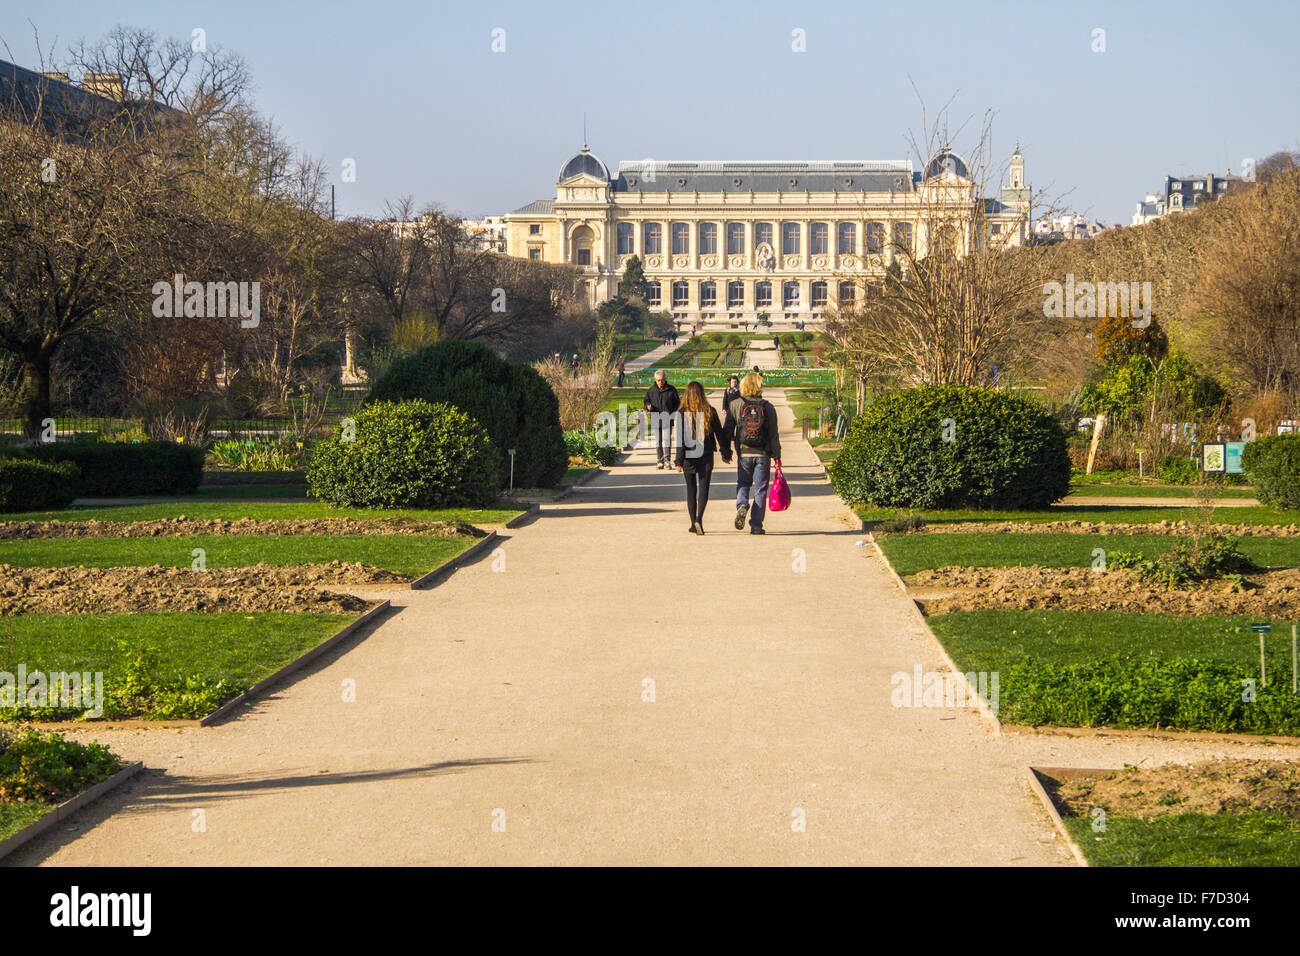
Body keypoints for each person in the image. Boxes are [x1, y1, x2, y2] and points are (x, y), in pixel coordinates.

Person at [723, 372, 781, 534]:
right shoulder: (767, 406)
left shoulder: (735, 404)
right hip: (763, 453)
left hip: (744, 452)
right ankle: (756, 525)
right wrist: (777, 455)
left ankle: (742, 504)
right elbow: (773, 434)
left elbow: (727, 430)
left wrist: (726, 451)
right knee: (760, 489)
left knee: (743, 483)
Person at [674, 381, 730, 534]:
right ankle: (699, 518)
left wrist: (678, 461)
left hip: (688, 456)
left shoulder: (681, 413)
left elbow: (679, 440)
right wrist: (726, 453)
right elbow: (719, 433)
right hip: (705, 455)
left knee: (691, 490)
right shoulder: (710, 410)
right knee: (704, 489)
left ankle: (693, 523)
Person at [643, 369, 680, 469]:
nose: (660, 382)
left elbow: (677, 403)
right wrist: (648, 406)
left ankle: (667, 460)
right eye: (658, 380)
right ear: (655, 380)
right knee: (658, 441)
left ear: (665, 379)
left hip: (668, 418)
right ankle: (660, 460)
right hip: (656, 419)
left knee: (667, 440)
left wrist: (673, 412)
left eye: (662, 380)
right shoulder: (651, 390)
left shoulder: (671, 390)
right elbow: (646, 401)